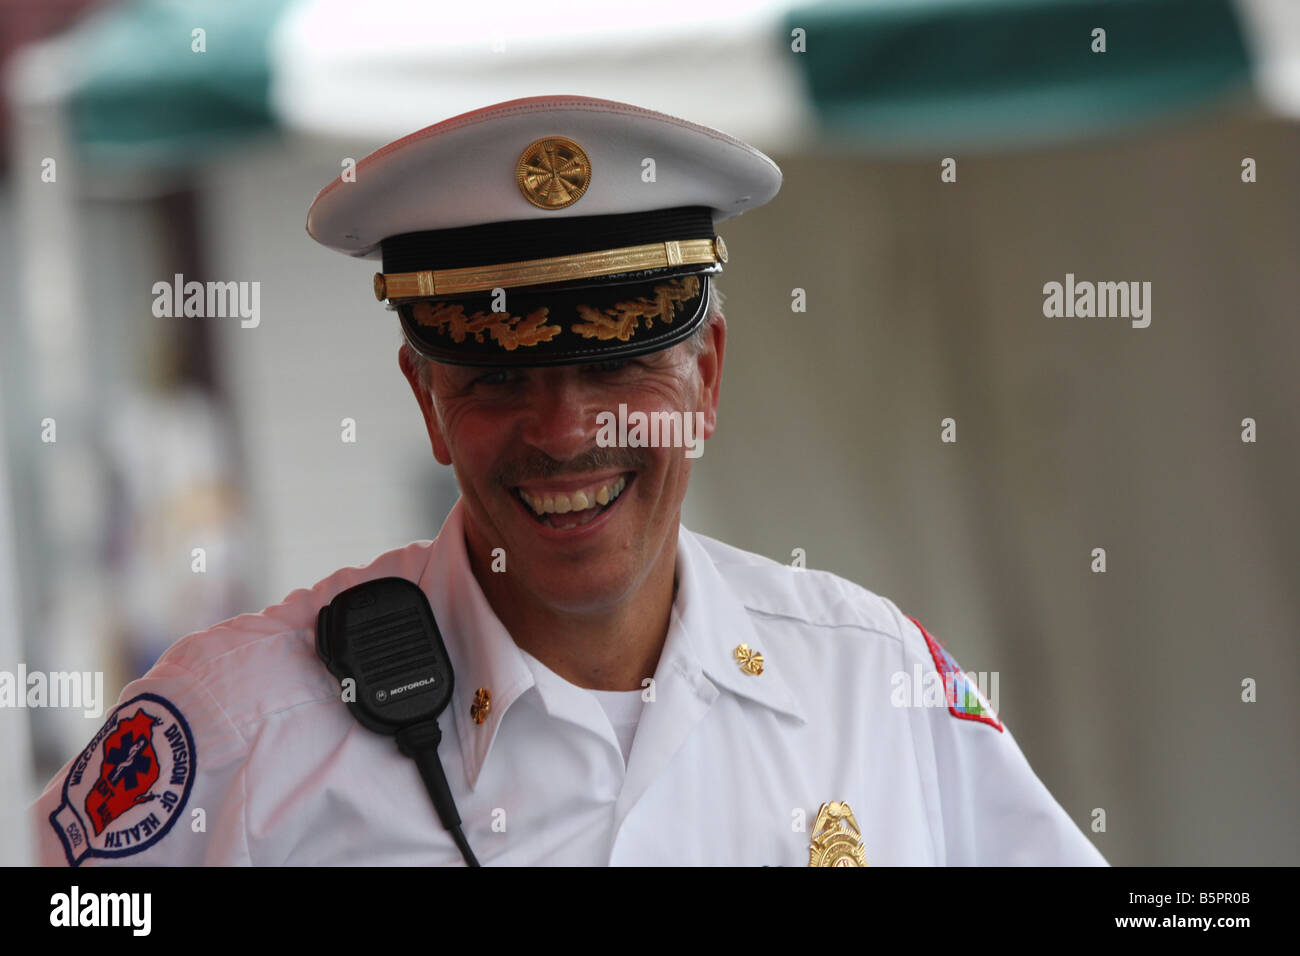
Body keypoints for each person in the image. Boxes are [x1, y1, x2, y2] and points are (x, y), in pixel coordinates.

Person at [31, 95, 1105, 866]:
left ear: (707, 378)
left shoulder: (874, 684)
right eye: (501, 375)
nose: (564, 431)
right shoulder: (234, 731)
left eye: (614, 363)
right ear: (426, 399)